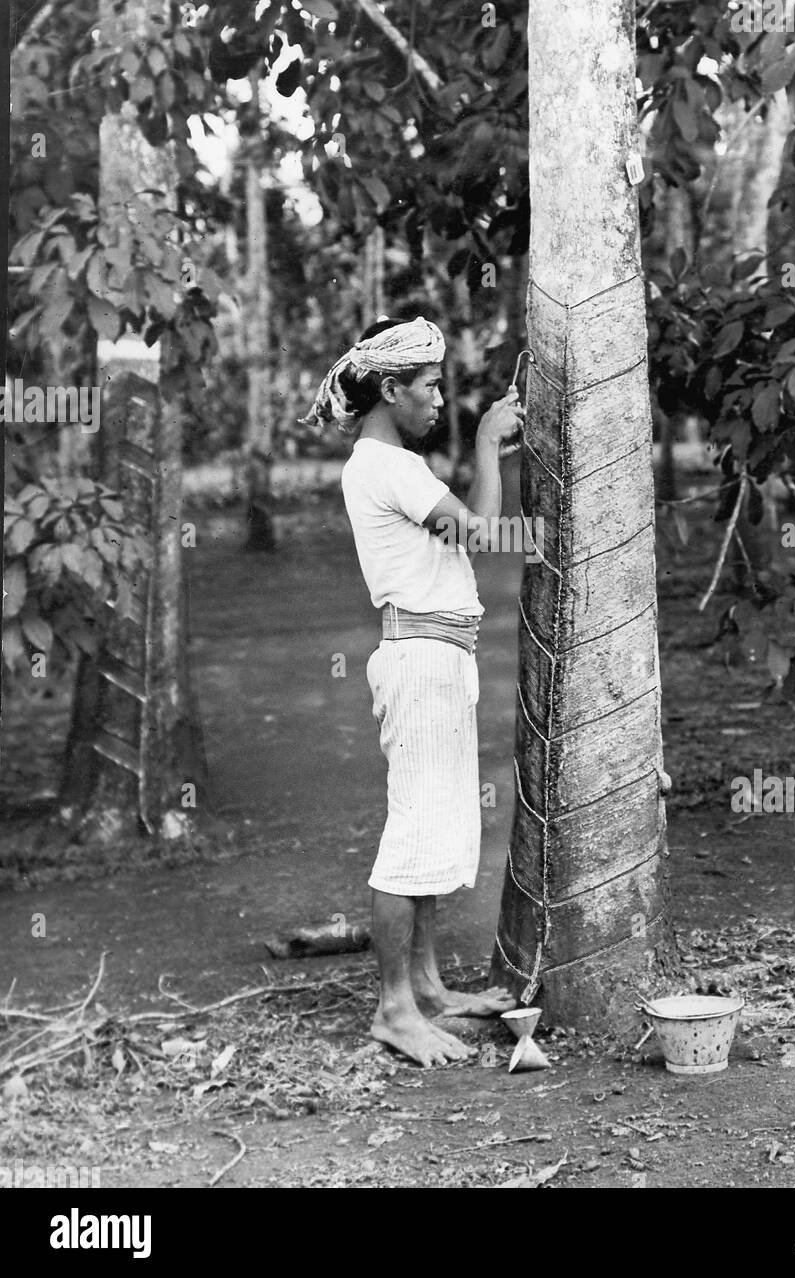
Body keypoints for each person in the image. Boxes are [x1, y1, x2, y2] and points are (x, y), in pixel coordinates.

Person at [302, 315, 523, 1066]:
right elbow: (482, 535)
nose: (438, 401)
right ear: (391, 389)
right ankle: (395, 1009)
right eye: (429, 387)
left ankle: (425, 989)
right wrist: (491, 443)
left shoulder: (390, 466)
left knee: (432, 831)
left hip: (436, 657)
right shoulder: (388, 467)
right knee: (411, 840)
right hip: (420, 660)